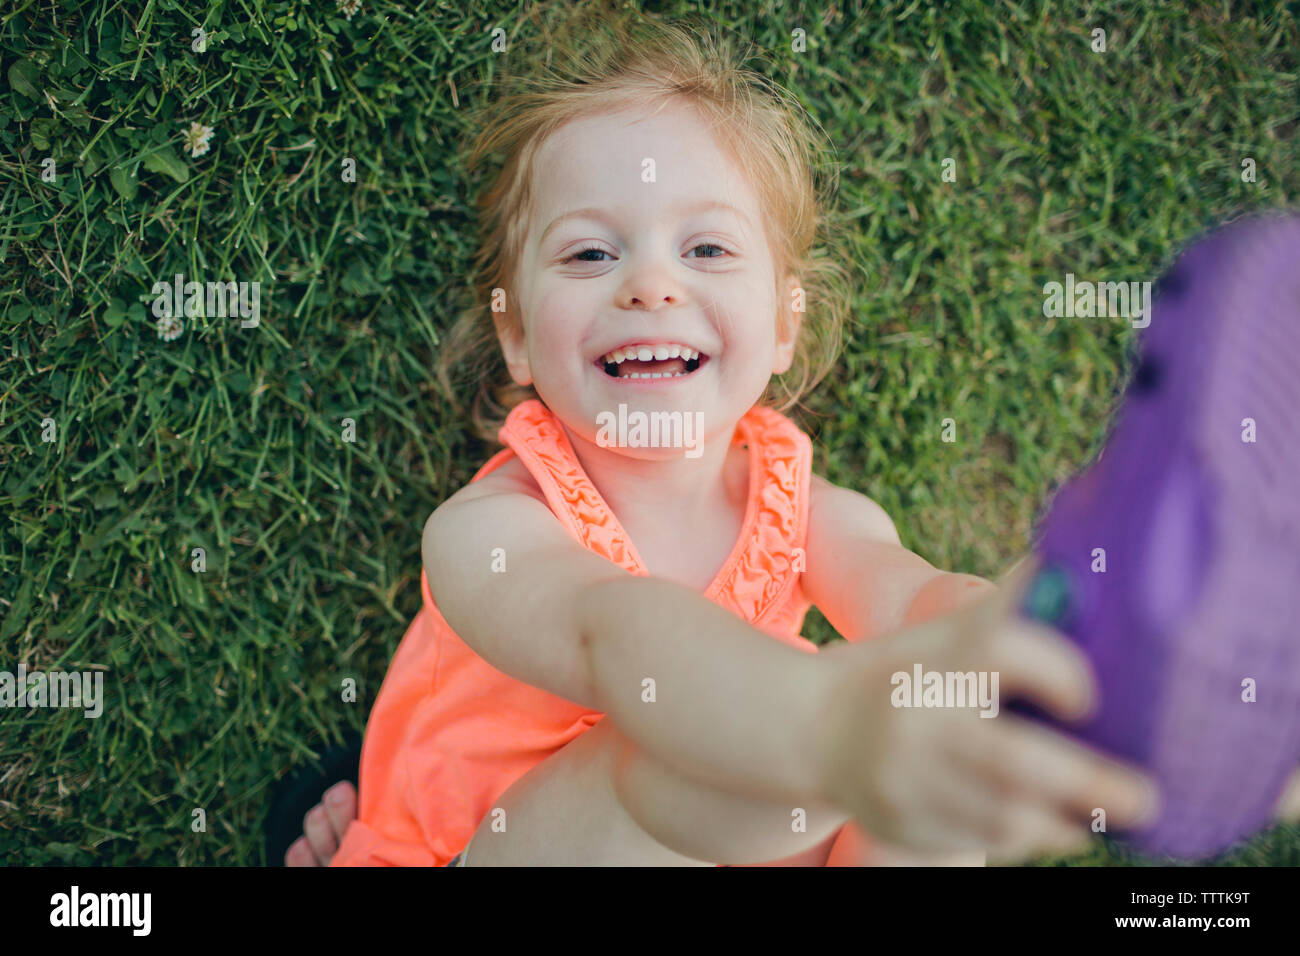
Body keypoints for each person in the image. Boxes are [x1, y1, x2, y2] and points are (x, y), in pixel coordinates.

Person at [285, 4, 1161, 867]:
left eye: (707, 250)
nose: (652, 285)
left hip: (753, 816)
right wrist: (832, 729)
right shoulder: (488, 534)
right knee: (677, 742)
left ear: (785, 325)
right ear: (515, 335)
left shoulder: (808, 510)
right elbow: (609, 633)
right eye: (591, 254)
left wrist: (1018, 633)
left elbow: (911, 600)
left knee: (936, 764)